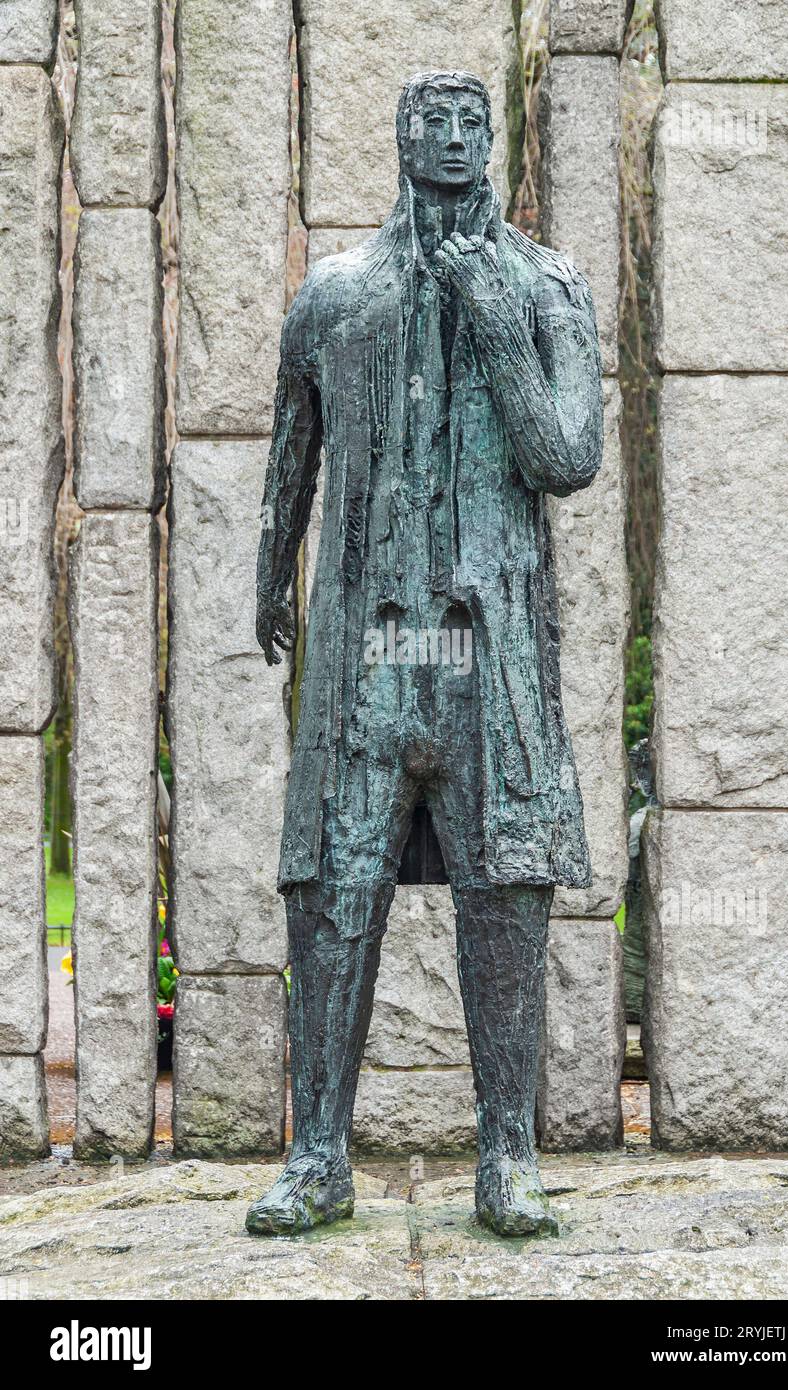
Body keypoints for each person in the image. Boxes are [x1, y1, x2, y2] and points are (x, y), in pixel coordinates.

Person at [249, 70, 603, 1236]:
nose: (450, 139)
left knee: (505, 887)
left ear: (490, 139)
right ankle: (318, 1154)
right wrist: (268, 577)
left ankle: (508, 1155)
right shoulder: (335, 295)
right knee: (332, 886)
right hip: (364, 651)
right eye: (428, 120)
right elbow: (288, 459)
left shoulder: (546, 282)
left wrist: (495, 322)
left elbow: (563, 455)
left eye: (469, 121)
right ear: (398, 134)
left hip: (486, 650)